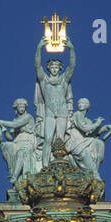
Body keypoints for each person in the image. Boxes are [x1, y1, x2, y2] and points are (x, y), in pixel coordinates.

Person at [34, 38, 76, 167]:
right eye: (52, 67)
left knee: (60, 138)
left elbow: (72, 66)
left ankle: (61, 164)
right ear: (48, 68)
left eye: (56, 67)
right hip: (49, 111)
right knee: (47, 139)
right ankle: (45, 166)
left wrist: (71, 49)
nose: (54, 69)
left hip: (62, 110)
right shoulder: (44, 80)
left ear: (59, 68)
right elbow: (37, 65)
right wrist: (39, 48)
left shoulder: (64, 80)